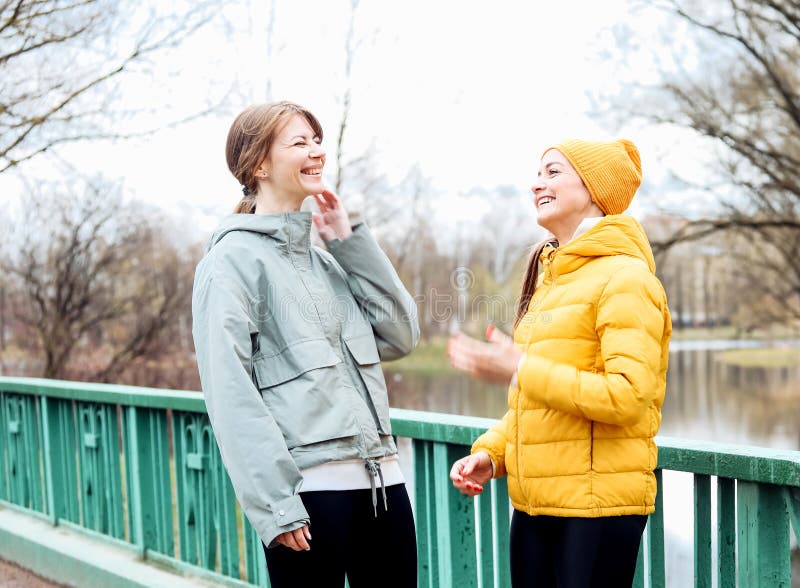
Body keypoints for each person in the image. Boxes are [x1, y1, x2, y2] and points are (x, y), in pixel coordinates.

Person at [192, 101, 419, 588]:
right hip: (310, 496)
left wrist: (349, 243)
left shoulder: (328, 262)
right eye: (300, 142)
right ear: (259, 165)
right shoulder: (230, 261)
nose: (317, 151)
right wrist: (276, 504)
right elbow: (230, 391)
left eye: (317, 140)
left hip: (384, 481)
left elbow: (401, 335)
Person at [448, 138, 672, 587]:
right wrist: (493, 454)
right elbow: (540, 402)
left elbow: (627, 397)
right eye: (537, 174)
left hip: (595, 511)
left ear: (592, 190)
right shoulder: (551, 280)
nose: (537, 184)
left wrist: (520, 367)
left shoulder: (627, 280)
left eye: (553, 172)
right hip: (536, 506)